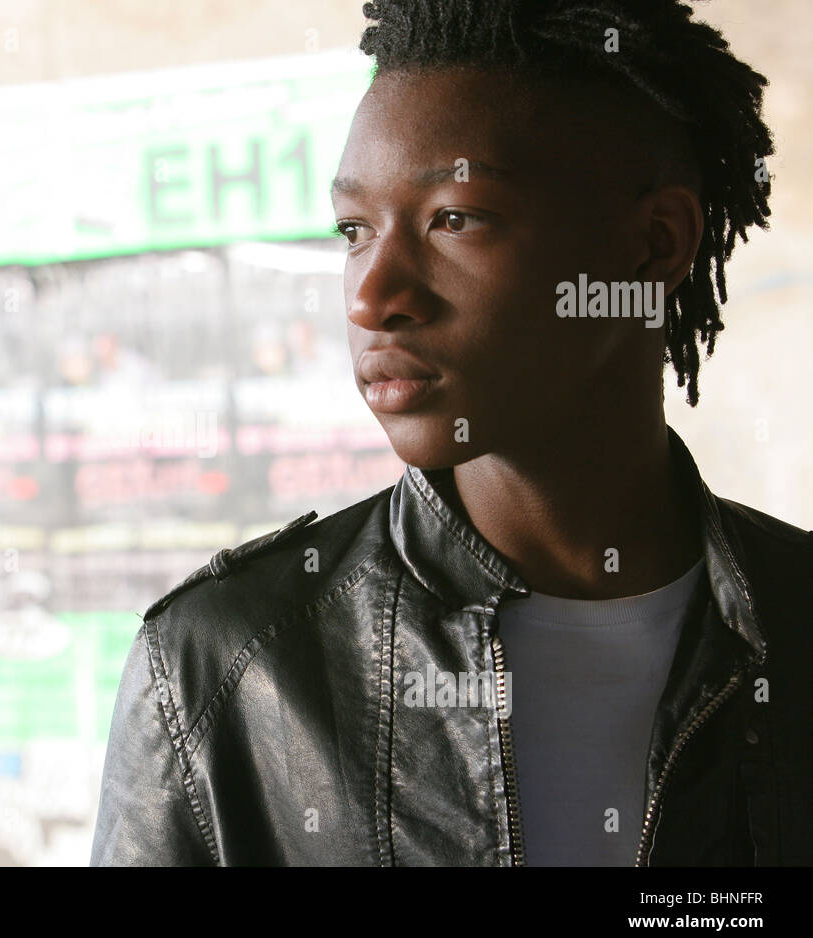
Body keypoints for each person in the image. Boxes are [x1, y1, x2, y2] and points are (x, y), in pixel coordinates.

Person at [90, 0, 811, 866]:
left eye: (455, 218)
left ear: (654, 245)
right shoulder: (228, 667)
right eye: (355, 230)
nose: (372, 295)